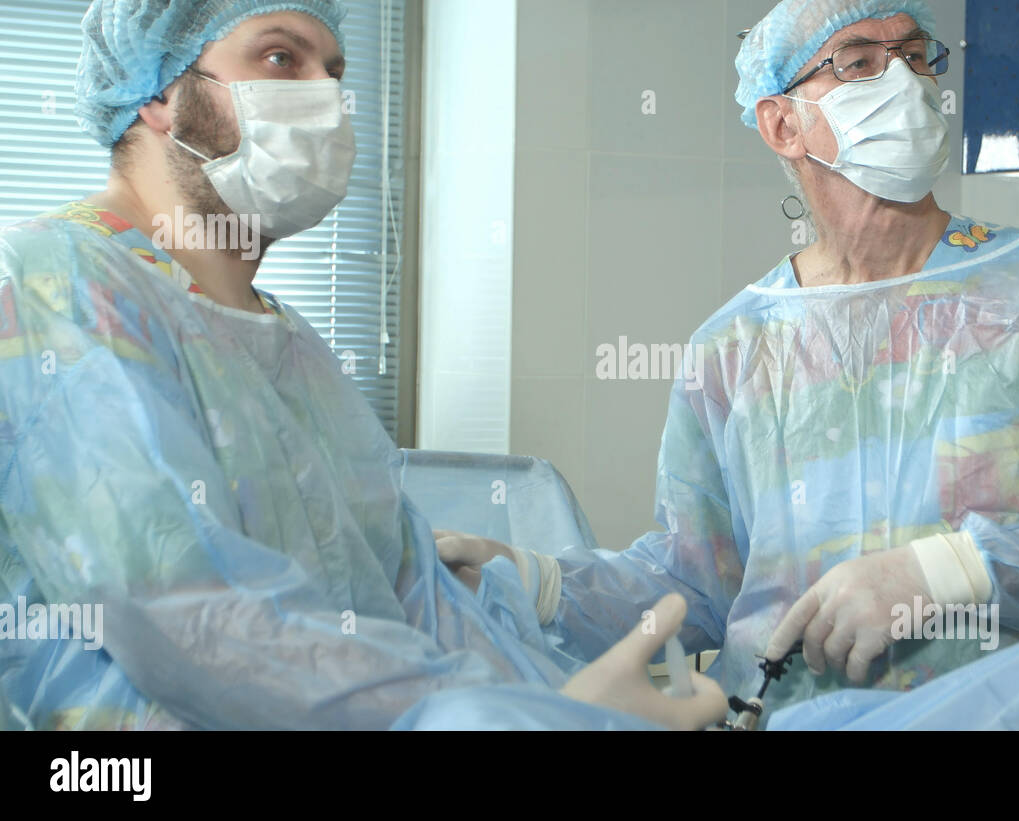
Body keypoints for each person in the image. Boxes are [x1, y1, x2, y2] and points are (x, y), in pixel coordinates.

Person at [440, 0, 1019, 721]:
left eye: (915, 54)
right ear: (782, 124)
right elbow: (692, 582)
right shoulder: (735, 348)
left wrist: (947, 575)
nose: (904, 79)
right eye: (858, 61)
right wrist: (537, 582)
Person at [0, 0, 726, 731]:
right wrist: (491, 716)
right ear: (159, 91)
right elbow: (179, 613)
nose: (324, 94)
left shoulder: (292, 343)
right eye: (282, 58)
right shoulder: (55, 285)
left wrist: (550, 703)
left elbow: (416, 596)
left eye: (335, 69)